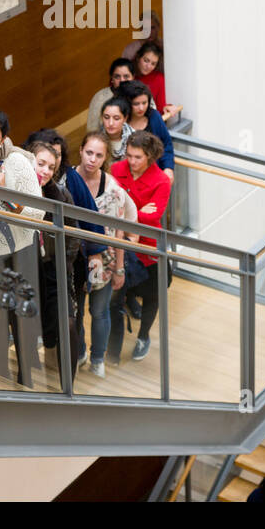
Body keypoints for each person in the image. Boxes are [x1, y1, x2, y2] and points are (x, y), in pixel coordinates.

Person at [28, 127, 106, 368]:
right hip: (30, 265)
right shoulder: (20, 181)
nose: (49, 166)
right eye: (44, 160)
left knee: (71, 318)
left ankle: (73, 359)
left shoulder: (69, 182)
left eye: (57, 158)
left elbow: (88, 221)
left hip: (63, 263)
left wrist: (92, 253)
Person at [0, 108, 47, 385]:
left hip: (20, 251)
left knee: (21, 316)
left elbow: (39, 213)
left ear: (3, 138)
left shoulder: (16, 163)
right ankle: (2, 374)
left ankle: (26, 376)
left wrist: (4, 194)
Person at [74, 131, 136, 379]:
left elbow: (121, 230)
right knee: (75, 314)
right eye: (89, 152)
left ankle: (98, 357)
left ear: (105, 158)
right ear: (80, 150)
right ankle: (78, 353)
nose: (92, 159)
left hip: (105, 261)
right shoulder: (66, 181)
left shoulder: (114, 191)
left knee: (99, 312)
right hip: (74, 260)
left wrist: (120, 268)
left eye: (99, 155)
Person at [107, 131, 171, 364]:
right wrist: (140, 212)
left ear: (150, 157)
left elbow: (156, 216)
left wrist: (127, 211)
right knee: (117, 295)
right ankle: (113, 347)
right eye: (129, 156)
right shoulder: (116, 170)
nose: (131, 162)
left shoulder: (161, 181)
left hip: (147, 248)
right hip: (121, 244)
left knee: (154, 293)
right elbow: (113, 206)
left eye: (138, 158)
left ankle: (144, 336)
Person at [24, 136, 84, 381]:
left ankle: (68, 388)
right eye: (41, 164)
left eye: (51, 168)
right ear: (29, 161)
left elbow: (73, 234)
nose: (46, 171)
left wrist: (65, 264)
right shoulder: (13, 188)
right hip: (25, 269)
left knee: (68, 323)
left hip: (55, 269)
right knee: (41, 327)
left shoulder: (60, 195)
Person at [119, 81, 176, 183]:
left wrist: (168, 168)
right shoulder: (120, 121)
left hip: (154, 177)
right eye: (136, 104)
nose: (141, 108)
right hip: (127, 180)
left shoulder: (154, 117)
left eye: (144, 103)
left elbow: (166, 144)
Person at [86, 58, 134, 134]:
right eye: (117, 77)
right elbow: (92, 130)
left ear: (133, 77)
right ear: (112, 79)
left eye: (126, 76)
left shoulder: (140, 95)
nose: (122, 80)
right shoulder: (100, 97)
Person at [133, 41, 178, 119]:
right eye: (146, 60)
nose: (148, 66)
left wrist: (167, 108)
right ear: (138, 57)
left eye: (153, 63)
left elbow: (160, 107)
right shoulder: (127, 73)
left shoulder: (159, 78)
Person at [100, 95, 133, 161]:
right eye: (106, 117)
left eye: (116, 118)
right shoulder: (96, 140)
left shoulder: (135, 139)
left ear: (125, 118)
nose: (111, 123)